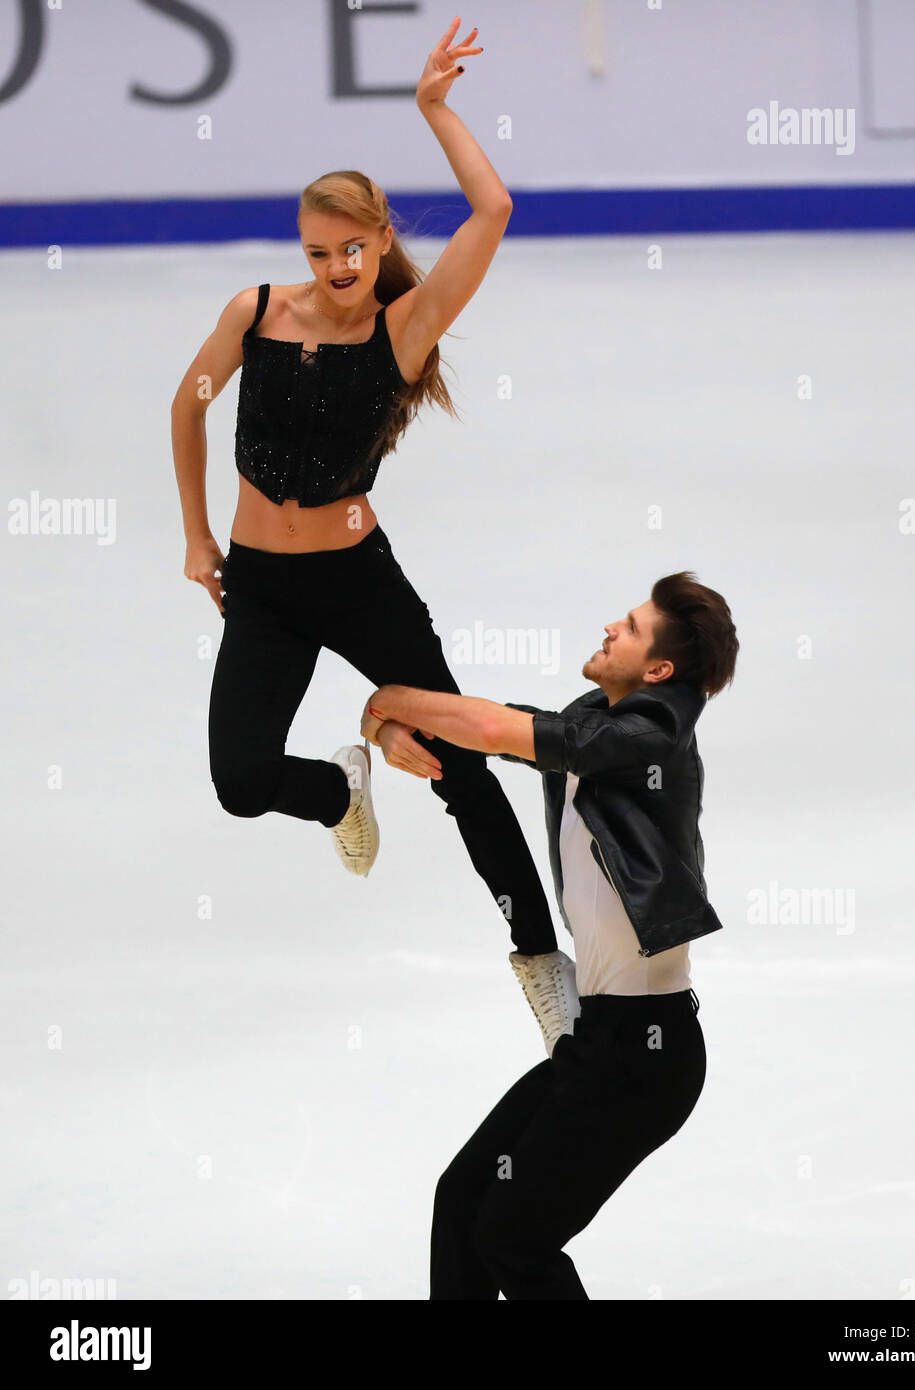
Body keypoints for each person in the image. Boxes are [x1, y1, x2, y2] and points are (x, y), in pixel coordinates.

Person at [169, 19, 574, 1045]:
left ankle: (537, 955)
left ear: (381, 240)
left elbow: (494, 208)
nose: (337, 265)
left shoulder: (405, 327)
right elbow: (187, 406)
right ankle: (340, 786)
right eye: (318, 250)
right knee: (239, 780)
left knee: (460, 762)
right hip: (259, 583)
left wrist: (434, 109)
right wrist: (197, 540)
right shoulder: (255, 313)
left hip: (357, 579)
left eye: (353, 246)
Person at [360, 571, 739, 1299]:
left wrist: (380, 703)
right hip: (601, 1040)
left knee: (514, 1239)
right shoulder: (598, 722)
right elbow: (495, 724)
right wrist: (384, 728)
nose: (608, 628)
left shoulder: (649, 737)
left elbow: (502, 730)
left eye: (627, 628)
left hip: (644, 1058)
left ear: (658, 669)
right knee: (463, 1197)